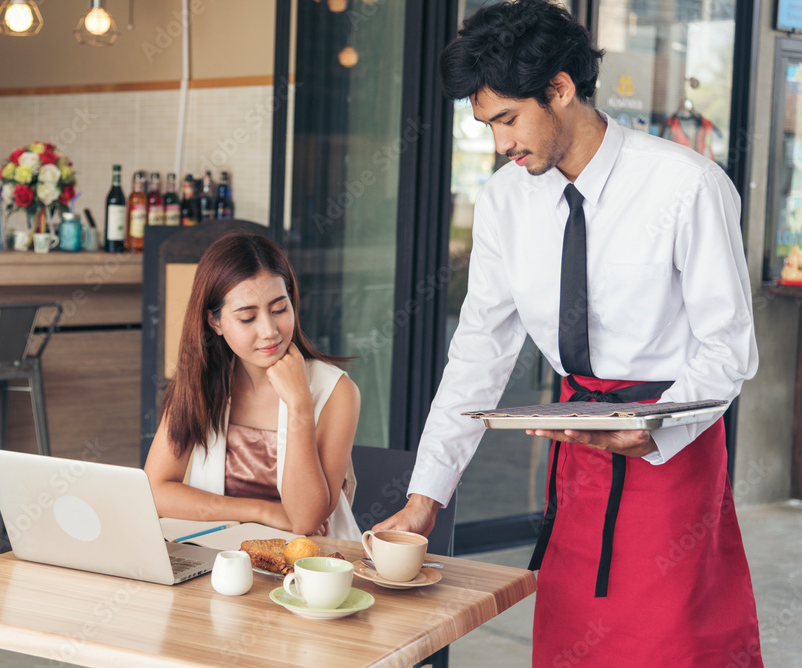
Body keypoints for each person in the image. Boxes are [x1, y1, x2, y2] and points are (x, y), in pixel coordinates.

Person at [374, 0, 763, 665]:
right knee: (572, 643)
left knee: (672, 646)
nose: (500, 143)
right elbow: (479, 355)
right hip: (576, 453)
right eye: (486, 125)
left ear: (559, 88)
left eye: (507, 119)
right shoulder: (504, 202)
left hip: (671, 451)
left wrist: (652, 428)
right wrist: (425, 496)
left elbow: (730, 347)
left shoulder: (686, 186)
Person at [145, 233, 362, 540]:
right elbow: (155, 490)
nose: (269, 331)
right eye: (247, 317)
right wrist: (262, 511)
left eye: (279, 309)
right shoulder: (199, 381)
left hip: (312, 571)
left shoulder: (337, 392)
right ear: (215, 322)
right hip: (224, 559)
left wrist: (300, 405)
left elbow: (305, 521)